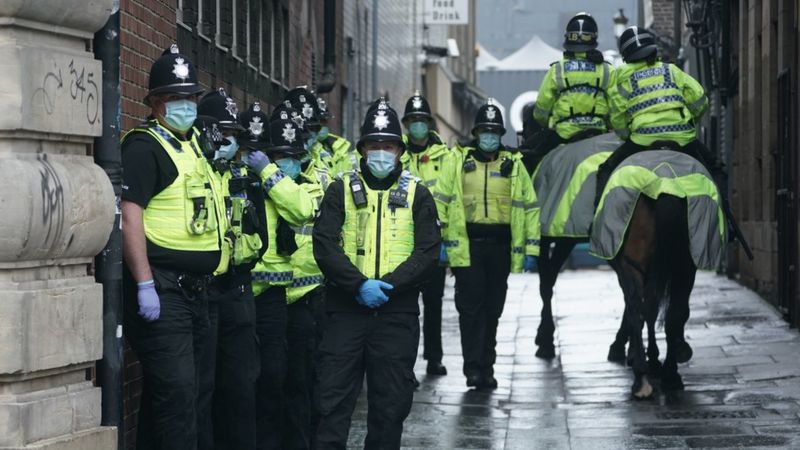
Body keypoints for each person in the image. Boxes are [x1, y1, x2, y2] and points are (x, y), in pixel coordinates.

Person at [312, 100, 440, 448]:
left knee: (390, 405)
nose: (380, 152)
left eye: (388, 146)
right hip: (345, 310)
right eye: (374, 145)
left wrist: (389, 286)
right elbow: (324, 244)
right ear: (362, 149)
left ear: (399, 151)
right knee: (332, 401)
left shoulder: (418, 194)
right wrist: (358, 285)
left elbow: (428, 251)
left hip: (395, 313)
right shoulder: (340, 190)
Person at [120, 44, 228, 450]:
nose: (185, 106)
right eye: (174, 99)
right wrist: (144, 283)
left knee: (187, 395)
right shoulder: (144, 147)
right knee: (179, 396)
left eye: (189, 98)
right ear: (155, 103)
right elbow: (130, 217)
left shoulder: (194, 145)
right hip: (163, 292)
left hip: (196, 291)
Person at [240, 103, 317, 449]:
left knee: (287, 381)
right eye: (275, 155)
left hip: (295, 299)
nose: (283, 161)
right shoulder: (254, 184)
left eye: (290, 156)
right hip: (248, 294)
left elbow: (302, 208)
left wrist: (271, 174)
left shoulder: (308, 186)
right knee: (249, 381)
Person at [447, 99, 539, 390]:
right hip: (468, 247)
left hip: (500, 249)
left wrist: (531, 250)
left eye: (494, 132)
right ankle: (473, 370)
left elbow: (530, 208)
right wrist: (441, 245)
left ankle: (488, 366)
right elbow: (442, 202)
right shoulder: (458, 162)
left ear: (501, 135)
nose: (489, 137)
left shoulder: (514, 166)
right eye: (484, 131)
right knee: (470, 310)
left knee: (493, 310)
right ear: (475, 133)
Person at [195, 88, 265, 450]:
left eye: (234, 136)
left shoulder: (241, 177)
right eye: (222, 135)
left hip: (237, 290)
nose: (228, 142)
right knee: (202, 390)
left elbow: (259, 238)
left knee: (240, 387)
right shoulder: (195, 171)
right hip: (203, 290)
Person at [594, 26, 719, 206]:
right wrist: (688, 122)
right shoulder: (671, 71)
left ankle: (598, 224)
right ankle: (728, 222)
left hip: (642, 141)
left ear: (626, 55)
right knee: (715, 170)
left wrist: (627, 134)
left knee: (606, 170)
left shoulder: (621, 78)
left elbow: (618, 120)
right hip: (682, 139)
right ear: (653, 49)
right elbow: (700, 100)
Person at [399, 91, 463, 376]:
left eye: (421, 120)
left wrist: (452, 249)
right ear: (405, 124)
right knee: (405, 309)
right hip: (401, 244)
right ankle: (405, 364)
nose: (417, 125)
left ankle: (434, 358)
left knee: (434, 306)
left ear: (429, 123)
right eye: (412, 120)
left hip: (434, 244)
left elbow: (455, 204)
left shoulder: (447, 158)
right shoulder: (394, 154)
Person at [532, 12, 614, 158]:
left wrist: (547, 124)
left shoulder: (557, 69)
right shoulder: (607, 70)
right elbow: (617, 107)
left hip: (564, 135)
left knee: (534, 162)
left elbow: (541, 109)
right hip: (598, 134)